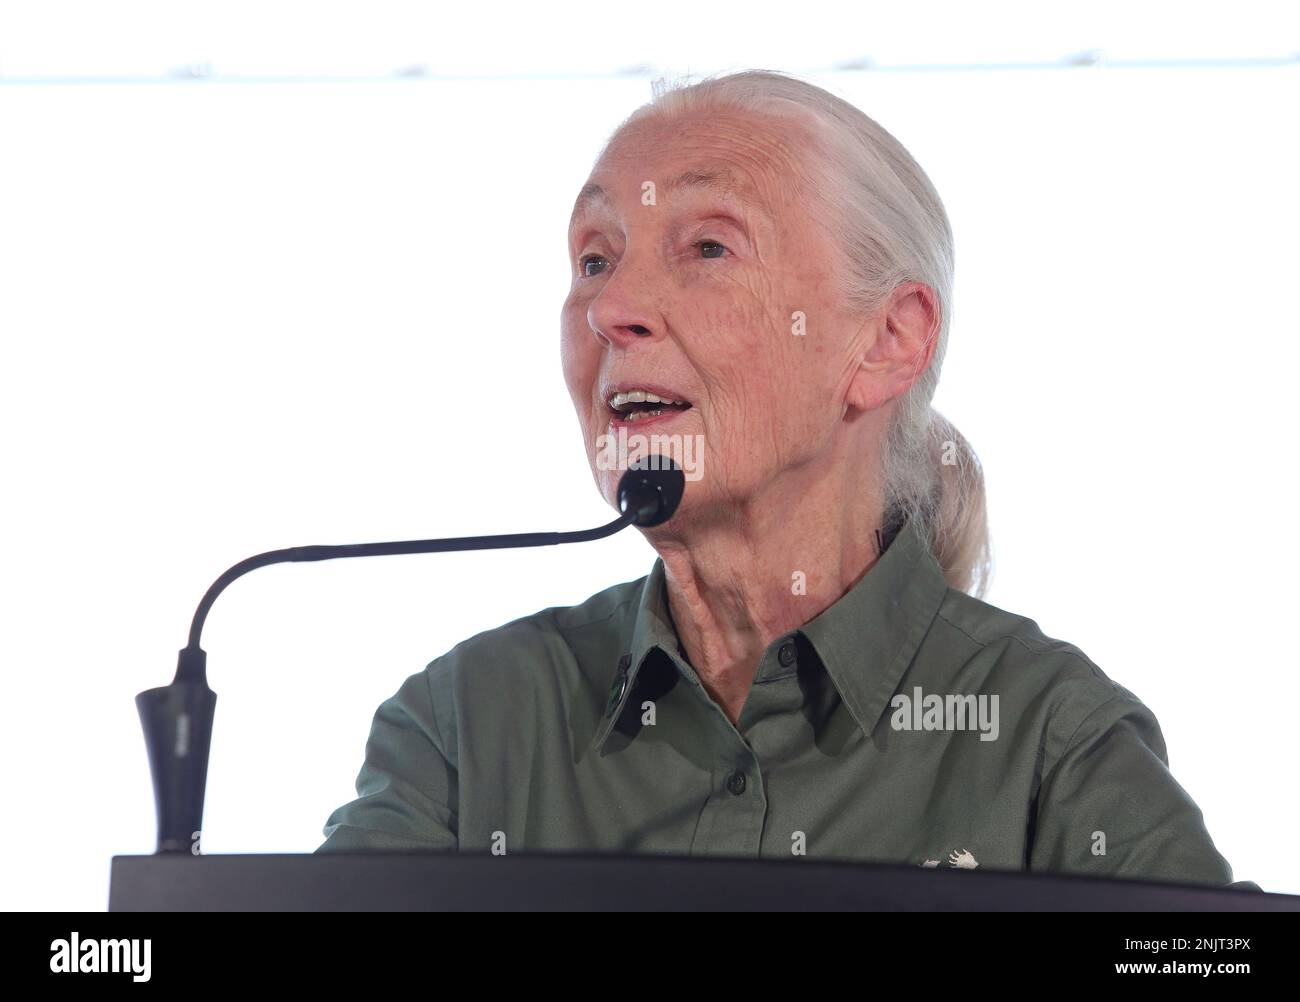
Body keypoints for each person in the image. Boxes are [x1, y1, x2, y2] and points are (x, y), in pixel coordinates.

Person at [318, 69, 1250, 889]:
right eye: (595, 258)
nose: (611, 308)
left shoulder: (1052, 741)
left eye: (709, 248)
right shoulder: (466, 727)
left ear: (888, 341)